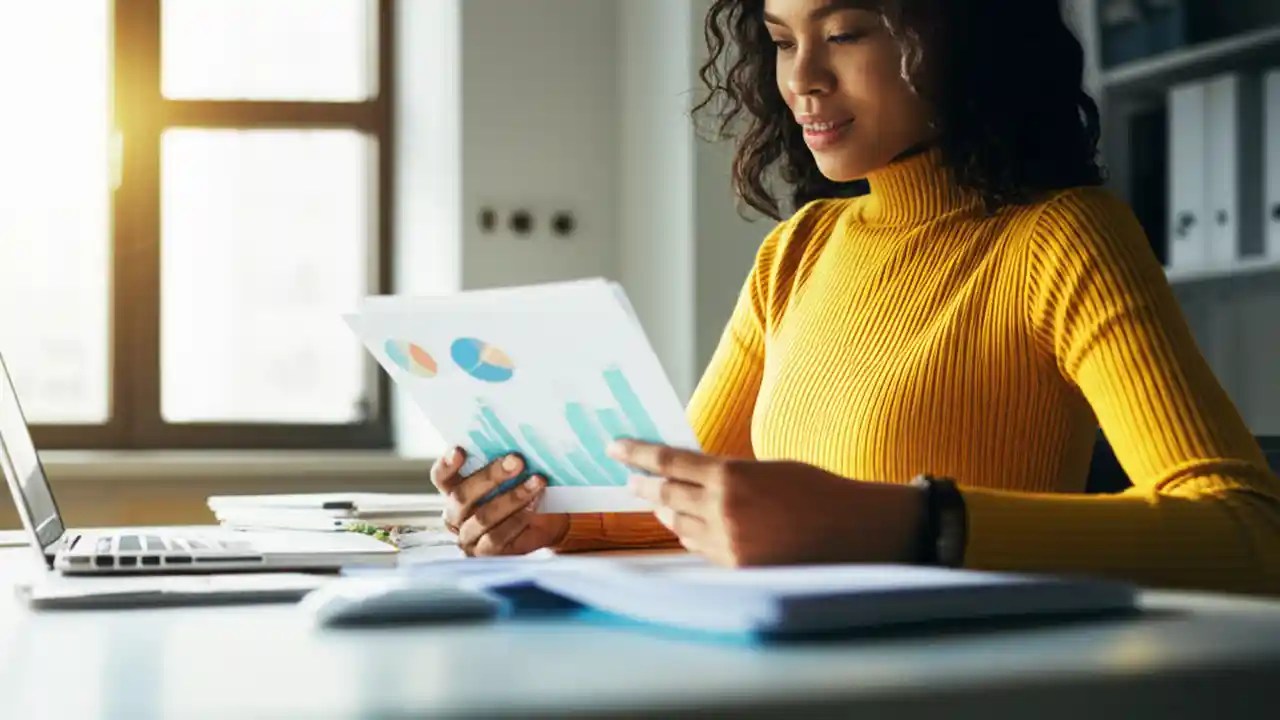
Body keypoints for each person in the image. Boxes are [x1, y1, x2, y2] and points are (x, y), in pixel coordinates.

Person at [432, 0, 1280, 594]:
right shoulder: (796, 250)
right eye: (778, 38)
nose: (801, 78)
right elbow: (693, 503)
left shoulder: (1062, 238)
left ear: (961, 33)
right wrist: (548, 523)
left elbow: (1246, 531)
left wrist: (907, 523)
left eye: (844, 32)